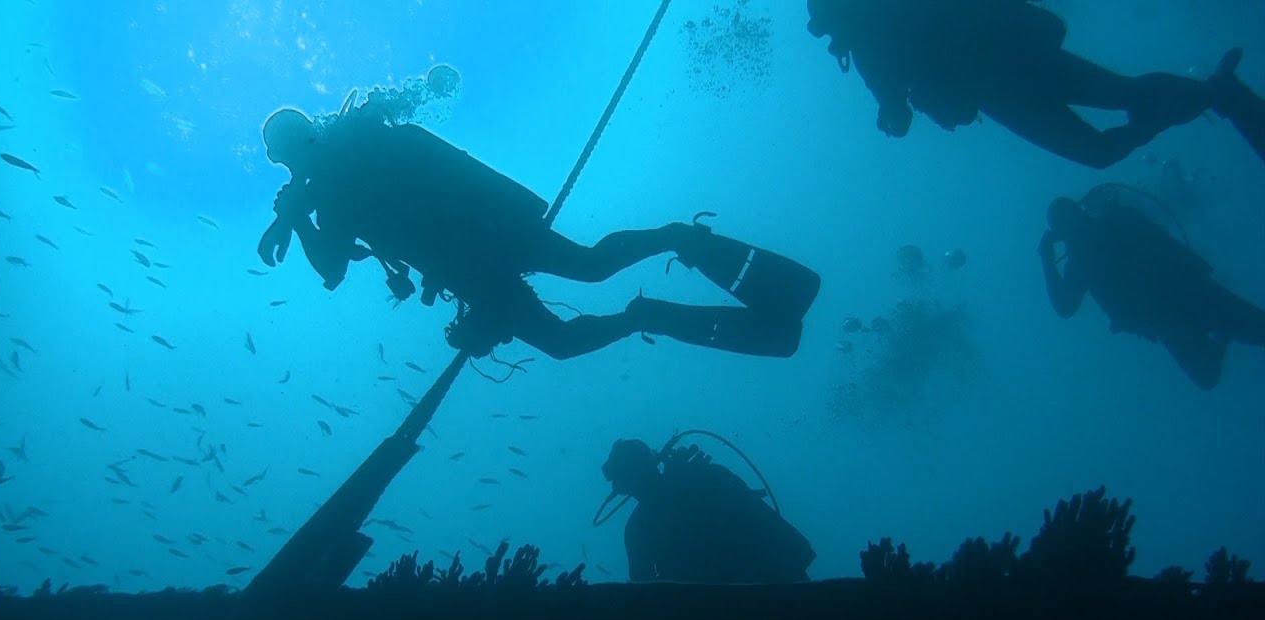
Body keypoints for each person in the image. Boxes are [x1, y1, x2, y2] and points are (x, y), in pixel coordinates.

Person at [258, 106, 820, 360]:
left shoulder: (329, 191)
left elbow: (332, 272)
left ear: (291, 151)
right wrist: (300, 216)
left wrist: (298, 219)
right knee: (587, 275)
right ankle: (671, 250)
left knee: (566, 328)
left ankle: (651, 299)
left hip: (480, 253)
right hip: (488, 240)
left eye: (281, 158)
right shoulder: (348, 164)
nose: (287, 168)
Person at [805, 0, 1264, 168]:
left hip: (1007, 86)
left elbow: (898, 113)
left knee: (1099, 147)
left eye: (825, 28)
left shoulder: (872, 42)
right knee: (1122, 98)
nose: (830, 41)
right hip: (1019, 64)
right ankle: (1212, 92)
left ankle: (1203, 97)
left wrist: (892, 116)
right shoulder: (878, 35)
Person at [1039, 185, 1265, 389]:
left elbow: (1065, 307)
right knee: (1208, 375)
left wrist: (1047, 259)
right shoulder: (1108, 228)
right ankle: (1223, 332)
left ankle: (1222, 333)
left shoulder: (1091, 249)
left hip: (1181, 303)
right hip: (1178, 306)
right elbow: (1066, 308)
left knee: (1210, 372)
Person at [599, 438, 816, 584]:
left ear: (622, 488)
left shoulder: (638, 528)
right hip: (777, 583)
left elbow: (642, 598)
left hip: (725, 614)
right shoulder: (707, 475)